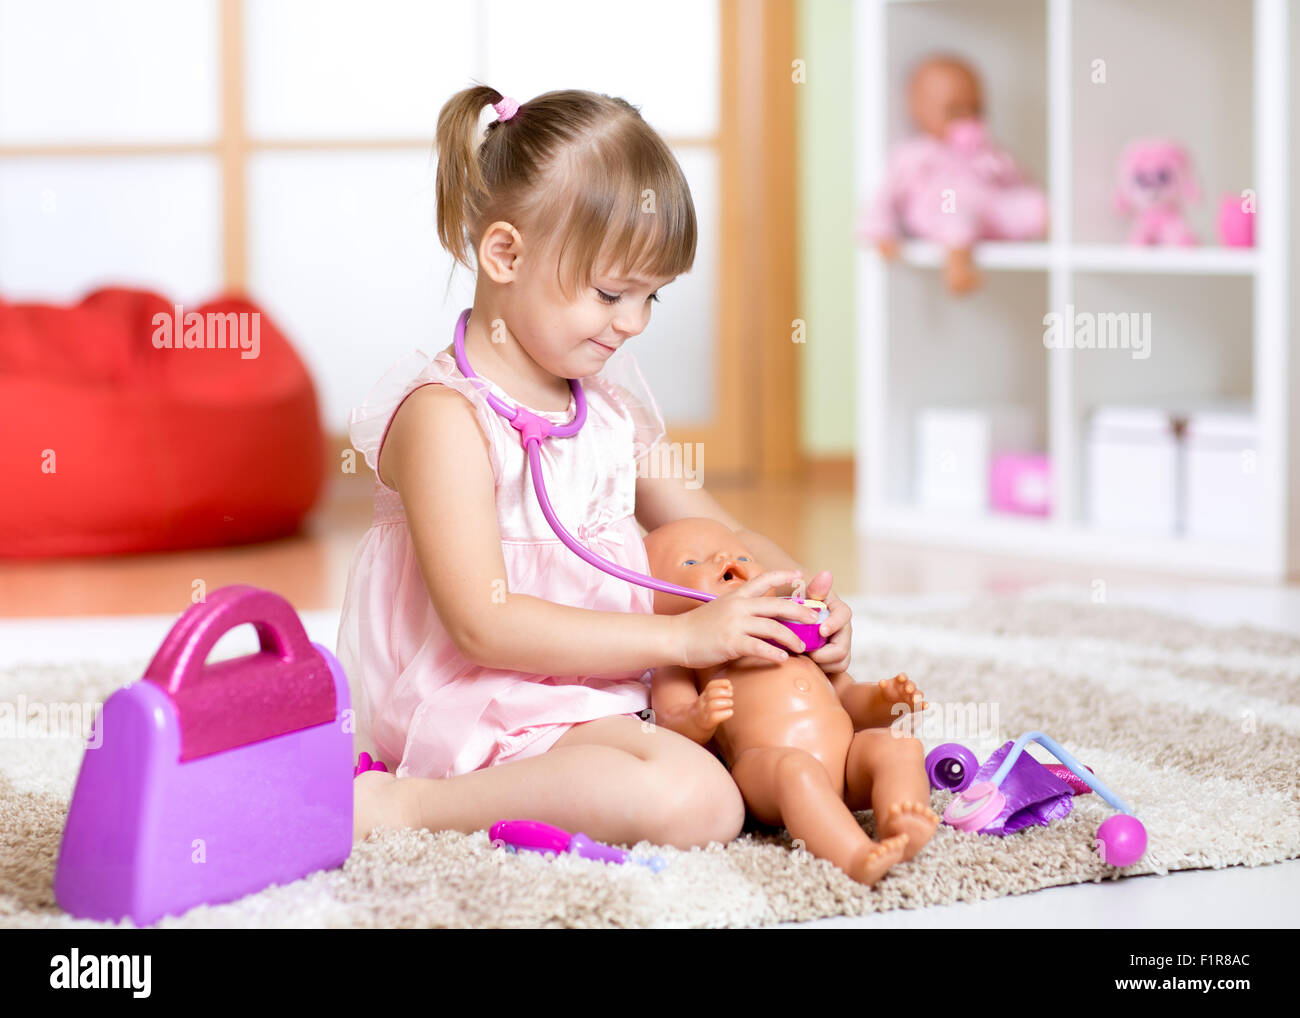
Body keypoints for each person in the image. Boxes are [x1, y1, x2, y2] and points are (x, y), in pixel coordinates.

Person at [341, 86, 855, 850]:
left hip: (602, 685)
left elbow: (719, 529)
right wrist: (685, 643)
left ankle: (595, 758)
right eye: (613, 293)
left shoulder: (607, 411)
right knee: (698, 802)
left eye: (653, 297)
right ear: (505, 254)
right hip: (479, 694)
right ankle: (407, 805)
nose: (634, 322)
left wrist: (800, 603)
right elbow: (484, 626)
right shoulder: (445, 420)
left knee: (775, 742)